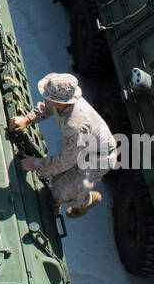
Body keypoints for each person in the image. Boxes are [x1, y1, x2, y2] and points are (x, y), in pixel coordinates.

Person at [10, 72, 116, 218]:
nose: (45, 98)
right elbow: (48, 108)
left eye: (48, 96)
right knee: (57, 176)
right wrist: (27, 119)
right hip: (83, 147)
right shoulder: (63, 102)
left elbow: (66, 161)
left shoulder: (75, 126)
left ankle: (85, 202)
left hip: (98, 158)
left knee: (57, 193)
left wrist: (35, 164)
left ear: (59, 101)